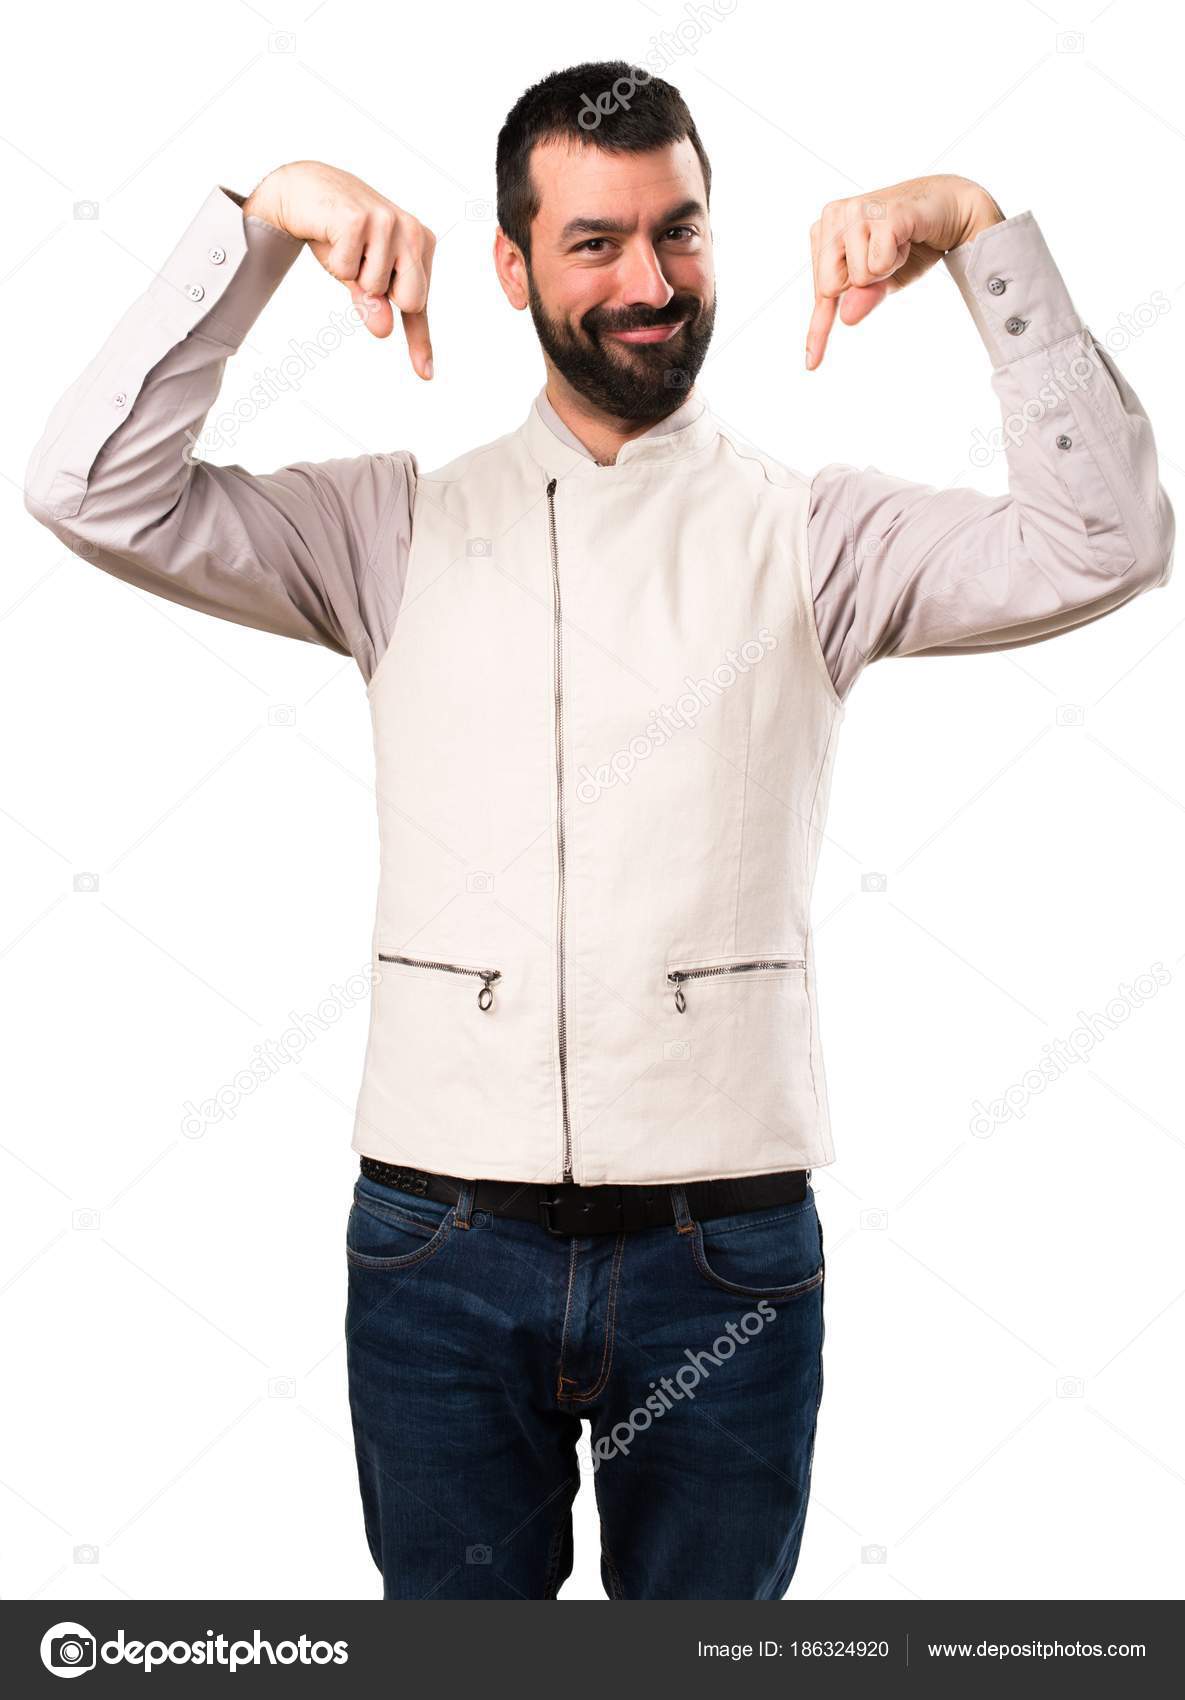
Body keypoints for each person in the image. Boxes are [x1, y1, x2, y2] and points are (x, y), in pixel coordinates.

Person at [24, 61, 1174, 1601]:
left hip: (727, 1253)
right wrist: (263, 224)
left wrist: (976, 235)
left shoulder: (815, 532)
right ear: (510, 266)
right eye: (594, 242)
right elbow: (89, 490)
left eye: (679, 234)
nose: (649, 283)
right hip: (436, 1241)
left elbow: (1107, 539)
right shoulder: (387, 526)